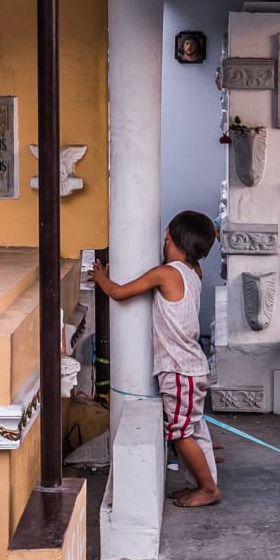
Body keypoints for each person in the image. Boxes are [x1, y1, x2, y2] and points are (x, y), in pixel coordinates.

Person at [92, 210, 221, 507]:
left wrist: (101, 277)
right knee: (193, 430)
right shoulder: (194, 271)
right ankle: (200, 484)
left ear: (168, 237)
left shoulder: (166, 273)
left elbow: (121, 292)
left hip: (179, 370)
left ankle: (208, 489)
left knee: (180, 434)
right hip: (190, 368)